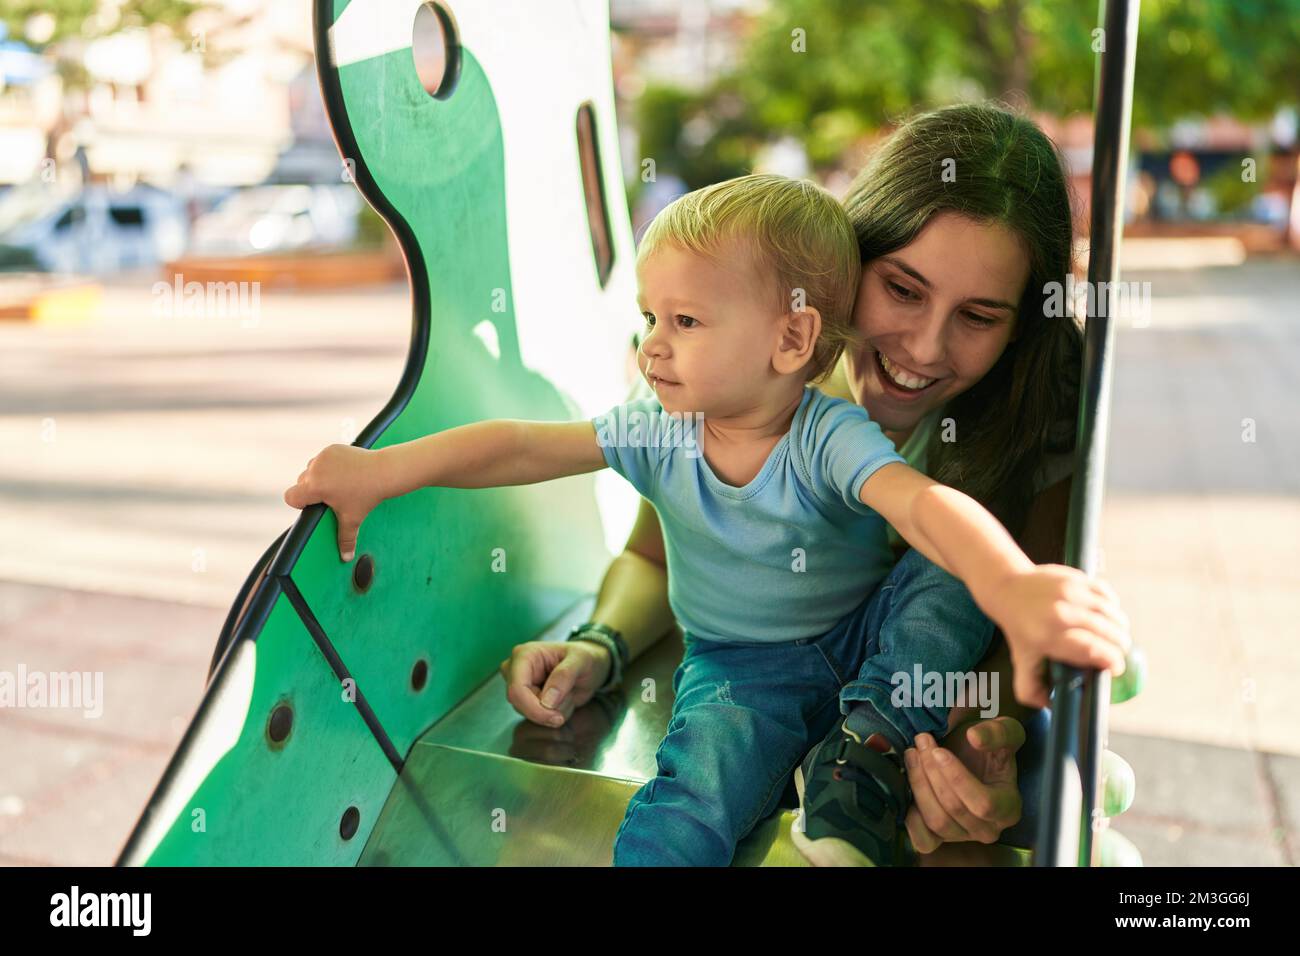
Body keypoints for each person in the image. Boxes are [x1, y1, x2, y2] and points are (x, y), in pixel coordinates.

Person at [283, 170, 1130, 866]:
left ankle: (859, 757)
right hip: (741, 666)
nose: (652, 345)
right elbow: (519, 447)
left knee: (940, 567)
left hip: (864, 642)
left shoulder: (828, 434)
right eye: (652, 318)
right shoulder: (662, 428)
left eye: (682, 322)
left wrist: (1014, 586)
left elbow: (929, 509)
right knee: (695, 785)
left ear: (792, 338)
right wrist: (381, 471)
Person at [497, 103, 1132, 863]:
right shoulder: (737, 370)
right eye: (902, 289)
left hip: (901, 720)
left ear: (1021, 326)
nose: (925, 347)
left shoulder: (1041, 415)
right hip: (755, 681)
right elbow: (654, 557)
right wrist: (599, 645)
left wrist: (980, 745)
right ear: (840, 264)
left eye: (978, 316)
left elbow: (1005, 633)